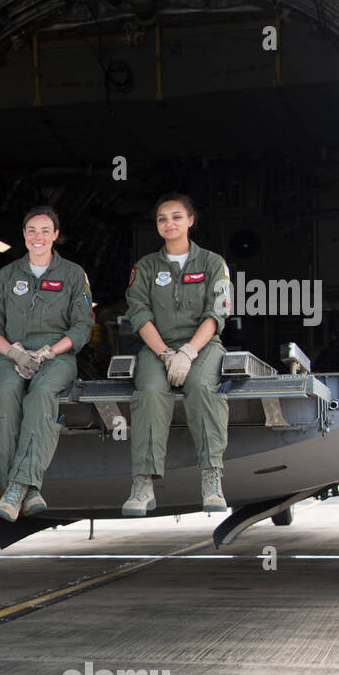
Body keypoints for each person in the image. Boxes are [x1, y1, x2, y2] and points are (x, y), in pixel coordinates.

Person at [122, 193, 233, 516]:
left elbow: (217, 312)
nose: (169, 223)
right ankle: (143, 483)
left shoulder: (213, 263)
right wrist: (168, 354)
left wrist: (188, 352)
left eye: (176, 217)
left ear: (190, 221)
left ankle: (212, 477)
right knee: (151, 393)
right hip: (158, 348)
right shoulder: (145, 267)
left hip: (202, 346)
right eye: (162, 219)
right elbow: (139, 314)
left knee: (201, 389)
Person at [0, 206, 94, 521]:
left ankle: (15, 488)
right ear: (23, 234)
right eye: (32, 230)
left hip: (57, 355)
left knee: (41, 395)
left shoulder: (73, 274)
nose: (38, 237)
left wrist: (48, 352)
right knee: (3, 396)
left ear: (56, 235)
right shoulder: (7, 276)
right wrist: (15, 353)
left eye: (45, 230)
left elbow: (82, 327)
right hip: (12, 352)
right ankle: (26, 489)